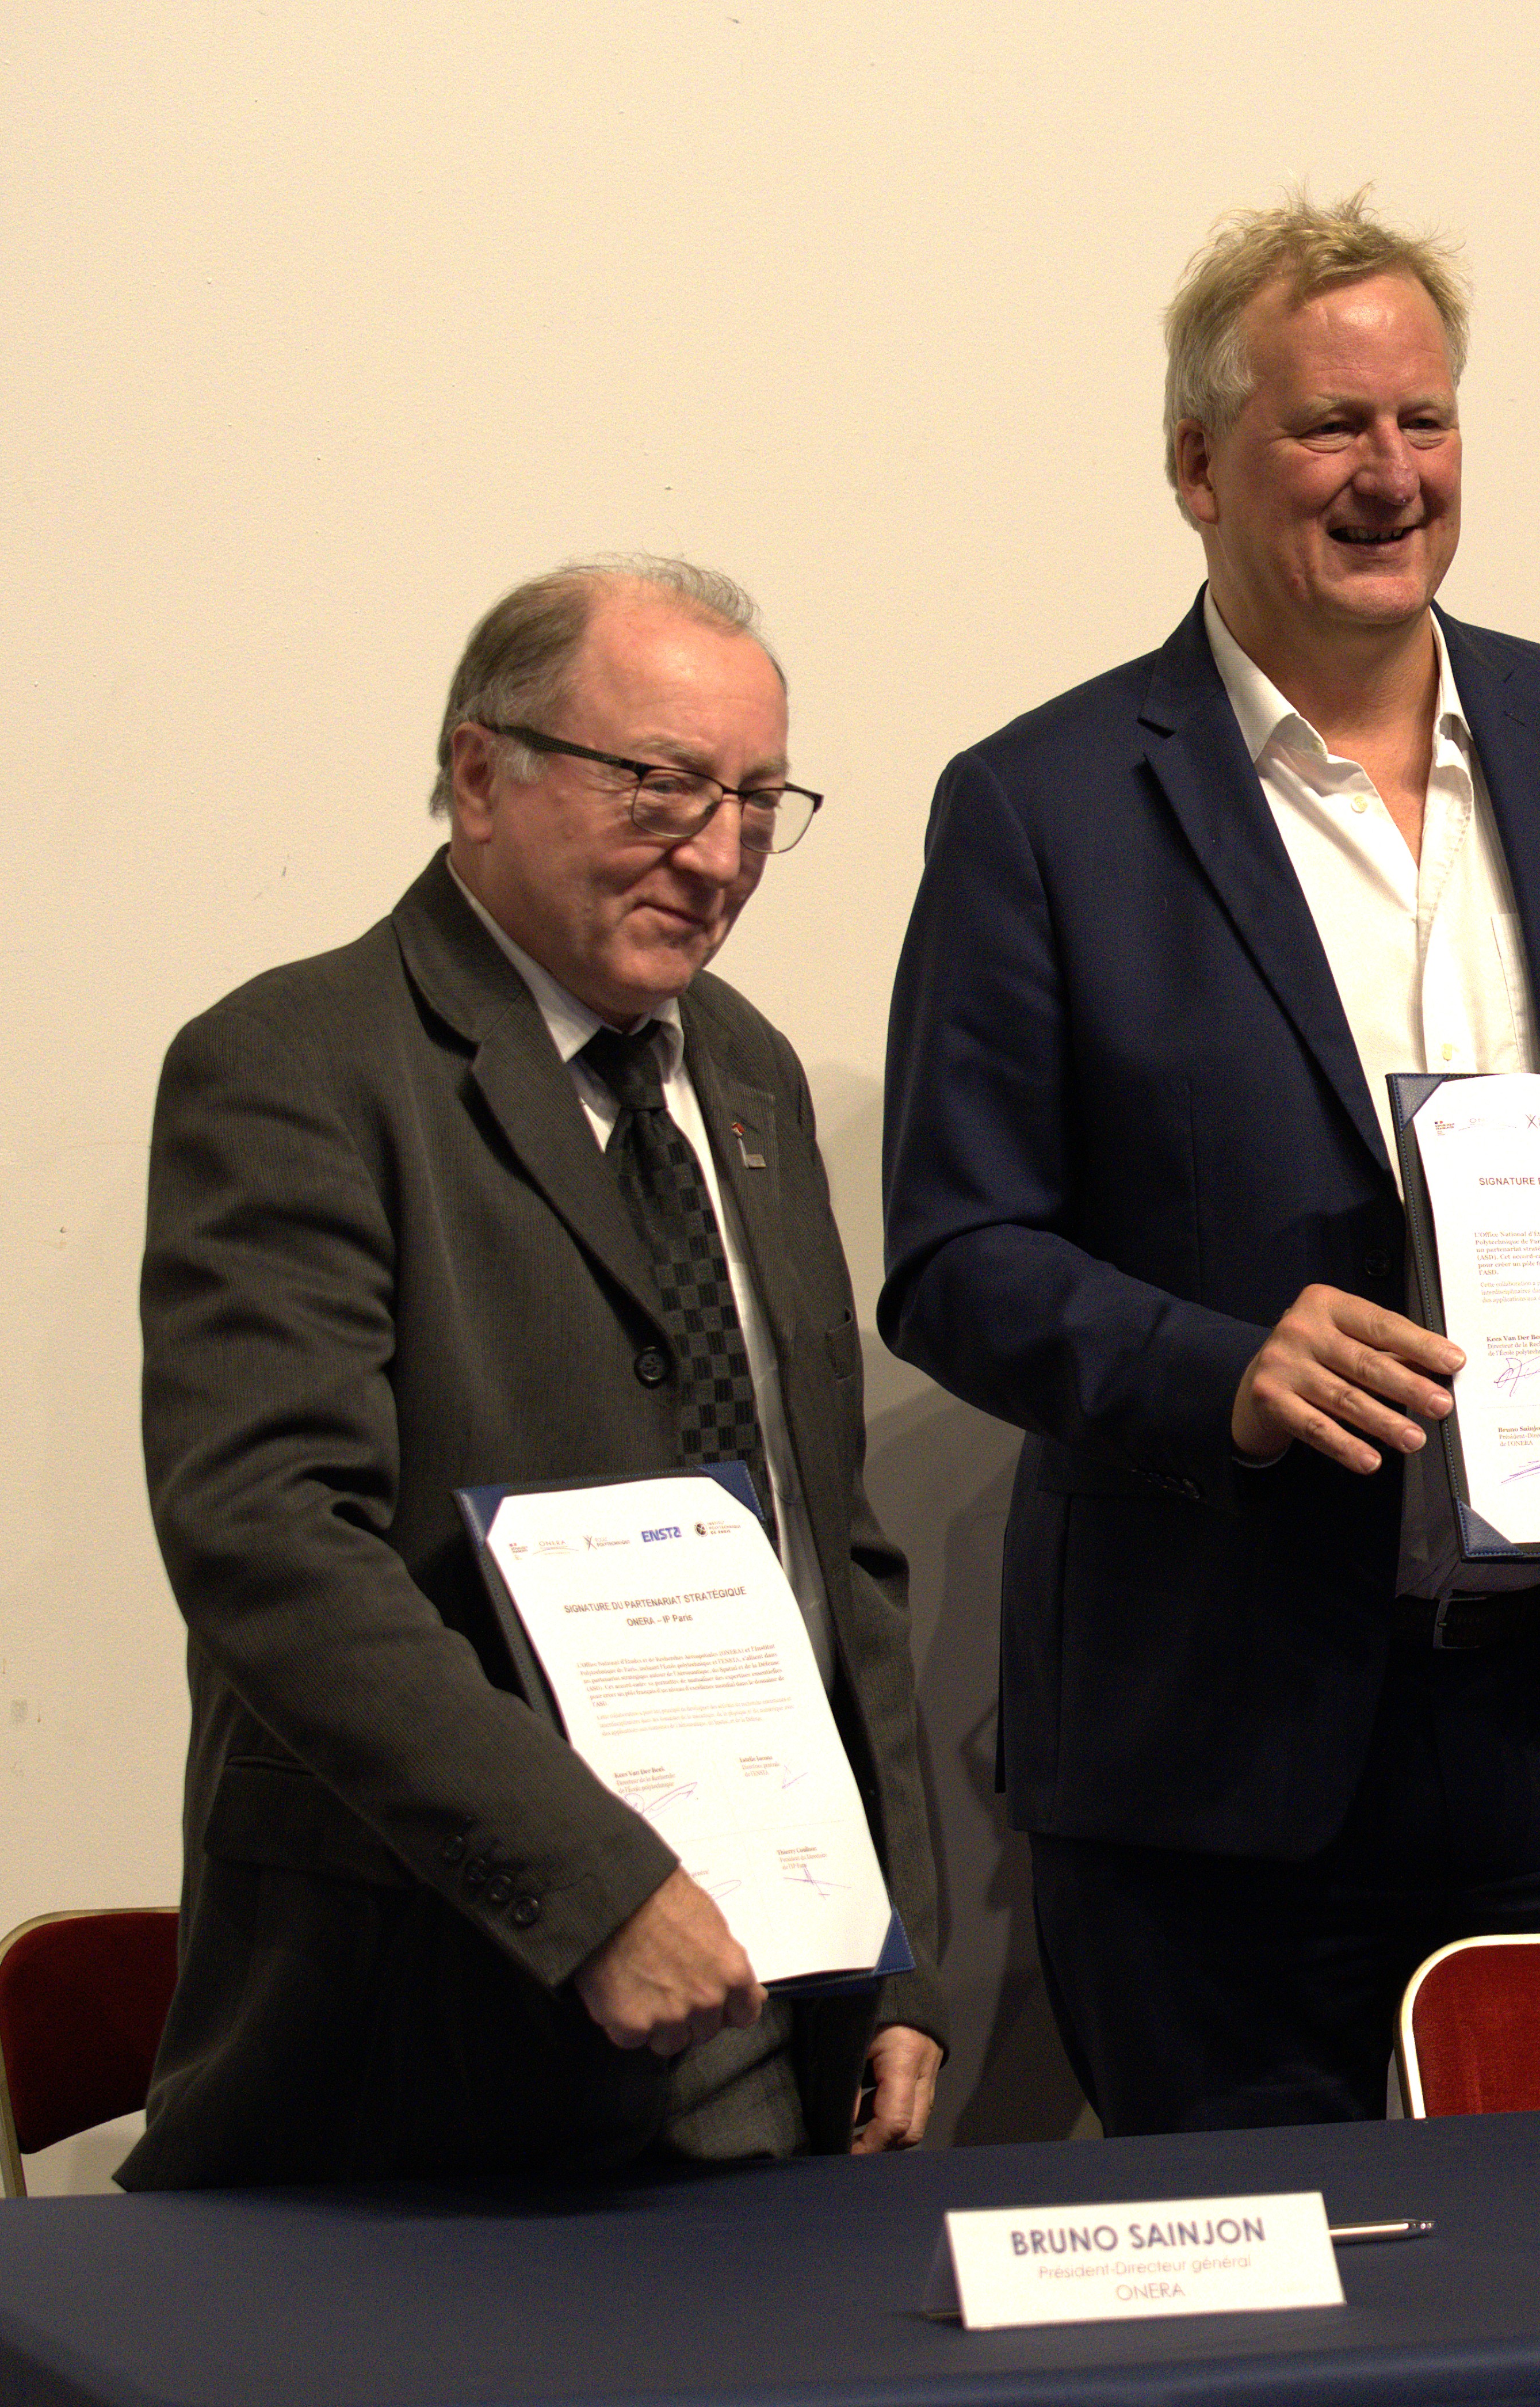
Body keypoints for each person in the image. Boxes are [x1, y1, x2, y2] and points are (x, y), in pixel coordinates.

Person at [880, 193, 1540, 2131]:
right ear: (1198, 465)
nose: (1390, 475)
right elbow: (954, 1252)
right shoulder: (1041, 806)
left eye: (1427, 422)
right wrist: (1217, 1372)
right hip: (1222, 1763)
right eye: (1331, 427)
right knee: (1269, 2356)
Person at [128, 559, 947, 2187]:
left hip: (769, 2055)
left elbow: (827, 1542)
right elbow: (271, 1541)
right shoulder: (295, 1067)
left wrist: (888, 1948)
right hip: (424, 2064)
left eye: (758, 800)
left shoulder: (750, 1075)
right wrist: (591, 1887)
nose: (717, 855)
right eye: (660, 786)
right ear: (476, 773)